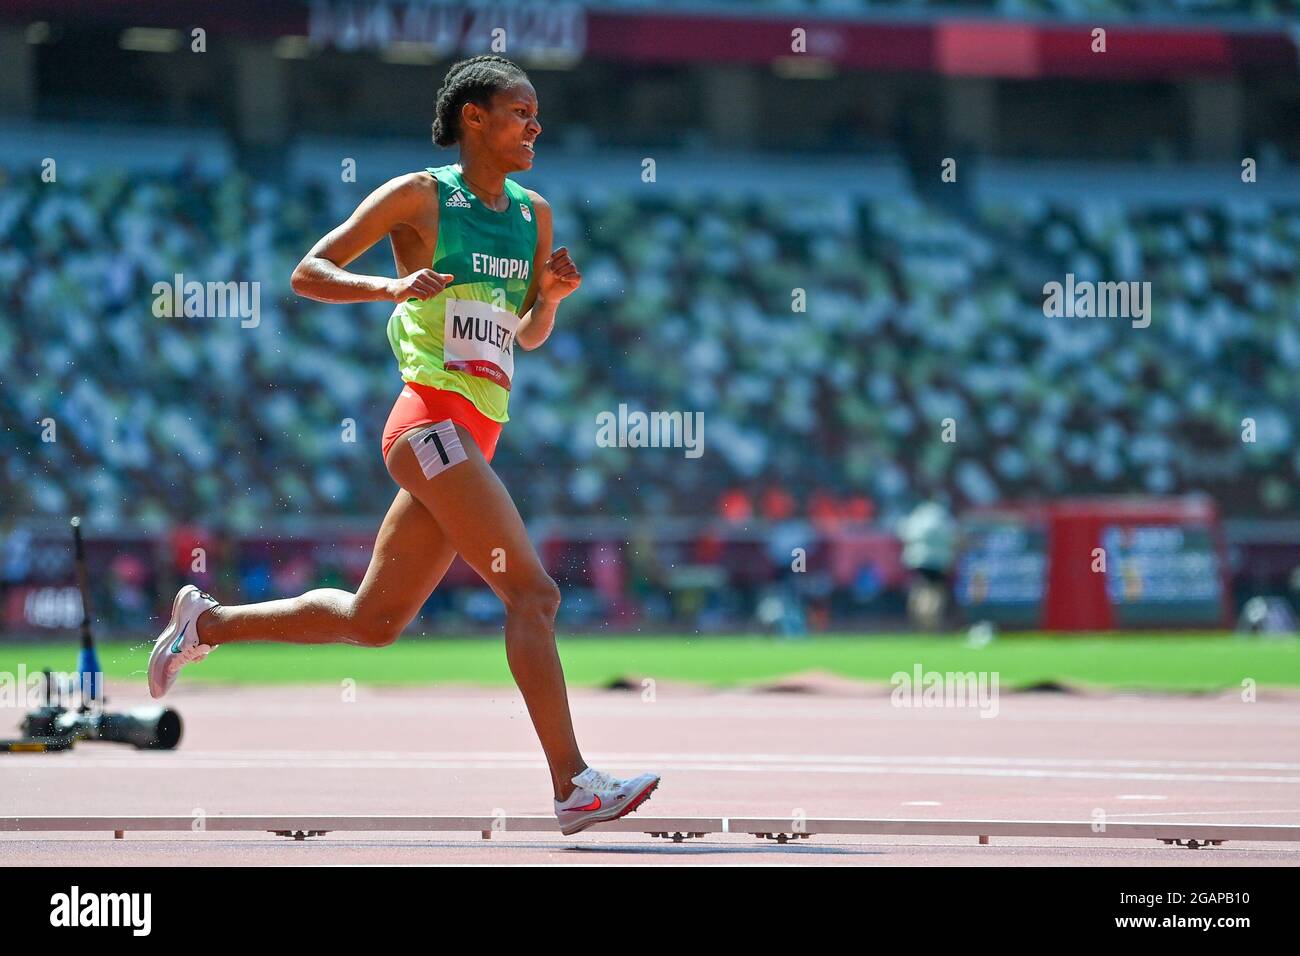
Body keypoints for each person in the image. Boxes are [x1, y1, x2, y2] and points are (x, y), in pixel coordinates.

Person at [147, 55, 659, 835]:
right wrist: (389, 286)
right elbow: (309, 272)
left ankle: (205, 625)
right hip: (427, 426)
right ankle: (574, 785)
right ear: (474, 118)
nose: (536, 125)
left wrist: (550, 299)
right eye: (521, 112)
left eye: (537, 114)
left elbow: (525, 335)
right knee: (534, 595)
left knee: (373, 620)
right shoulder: (421, 195)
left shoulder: (535, 216)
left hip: (473, 435)